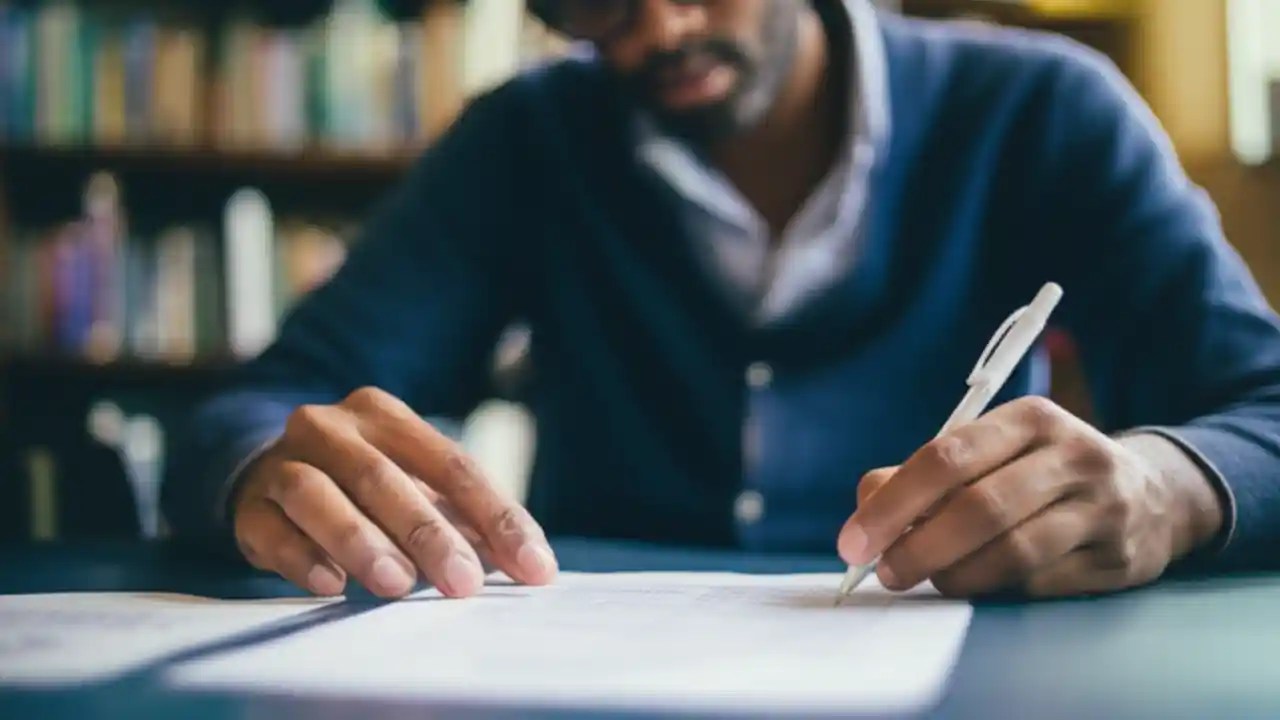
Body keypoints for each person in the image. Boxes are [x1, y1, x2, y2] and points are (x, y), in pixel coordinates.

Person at [163, 0, 1280, 601]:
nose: (659, 27)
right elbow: (256, 412)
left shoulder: (1042, 111)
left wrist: (1166, 489)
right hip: (588, 682)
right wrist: (272, 471)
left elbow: (1264, 410)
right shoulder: (523, 138)